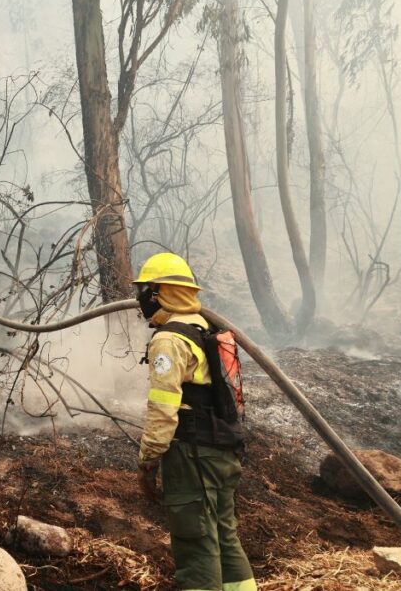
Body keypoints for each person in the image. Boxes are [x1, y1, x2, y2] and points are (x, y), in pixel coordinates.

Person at [133, 252, 256, 591]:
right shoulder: (204, 327)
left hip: (193, 455)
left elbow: (162, 409)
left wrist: (147, 460)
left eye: (145, 291)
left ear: (159, 292)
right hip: (222, 451)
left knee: (194, 540)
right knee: (224, 536)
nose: (141, 300)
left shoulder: (169, 340)